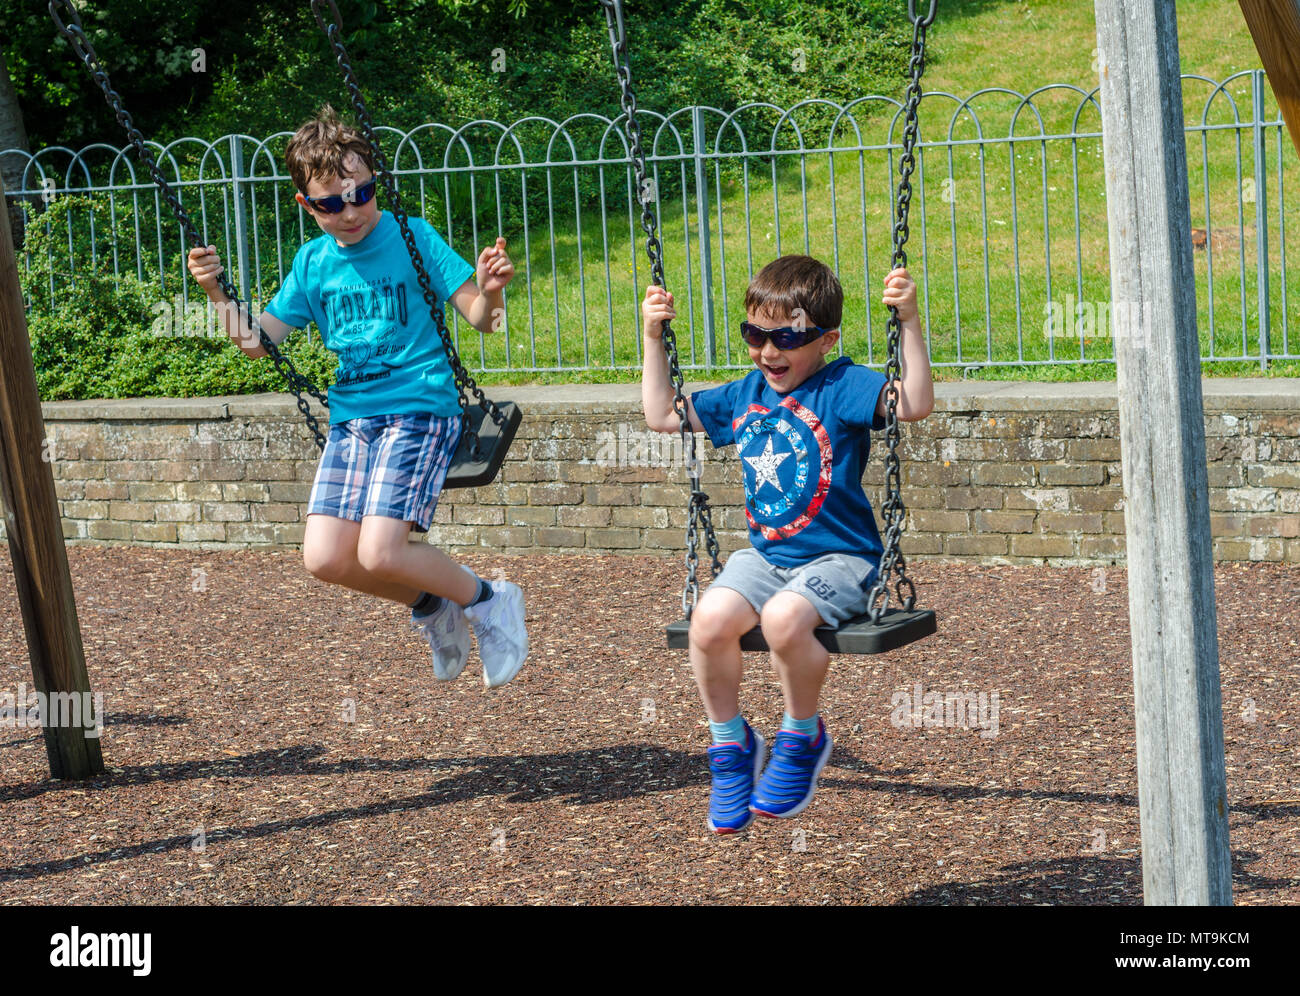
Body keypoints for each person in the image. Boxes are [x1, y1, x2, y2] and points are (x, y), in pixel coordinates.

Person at [186, 105, 528, 688]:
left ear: (375, 182)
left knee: (381, 553)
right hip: (354, 420)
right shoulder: (313, 262)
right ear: (305, 205)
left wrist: (491, 292)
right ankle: (431, 603)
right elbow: (256, 343)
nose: (350, 212)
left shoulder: (413, 237)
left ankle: (489, 599)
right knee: (325, 558)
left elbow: (480, 320)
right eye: (330, 203)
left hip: (419, 405)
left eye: (361, 193)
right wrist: (215, 290)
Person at [641, 254, 934, 832]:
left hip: (842, 558)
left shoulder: (842, 385)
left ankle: (801, 736)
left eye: (786, 338)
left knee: (781, 622)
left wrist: (909, 322)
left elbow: (913, 404)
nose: (769, 351)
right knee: (708, 621)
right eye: (756, 335)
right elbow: (661, 414)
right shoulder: (746, 393)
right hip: (768, 558)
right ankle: (730, 749)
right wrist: (653, 338)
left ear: (826, 339)